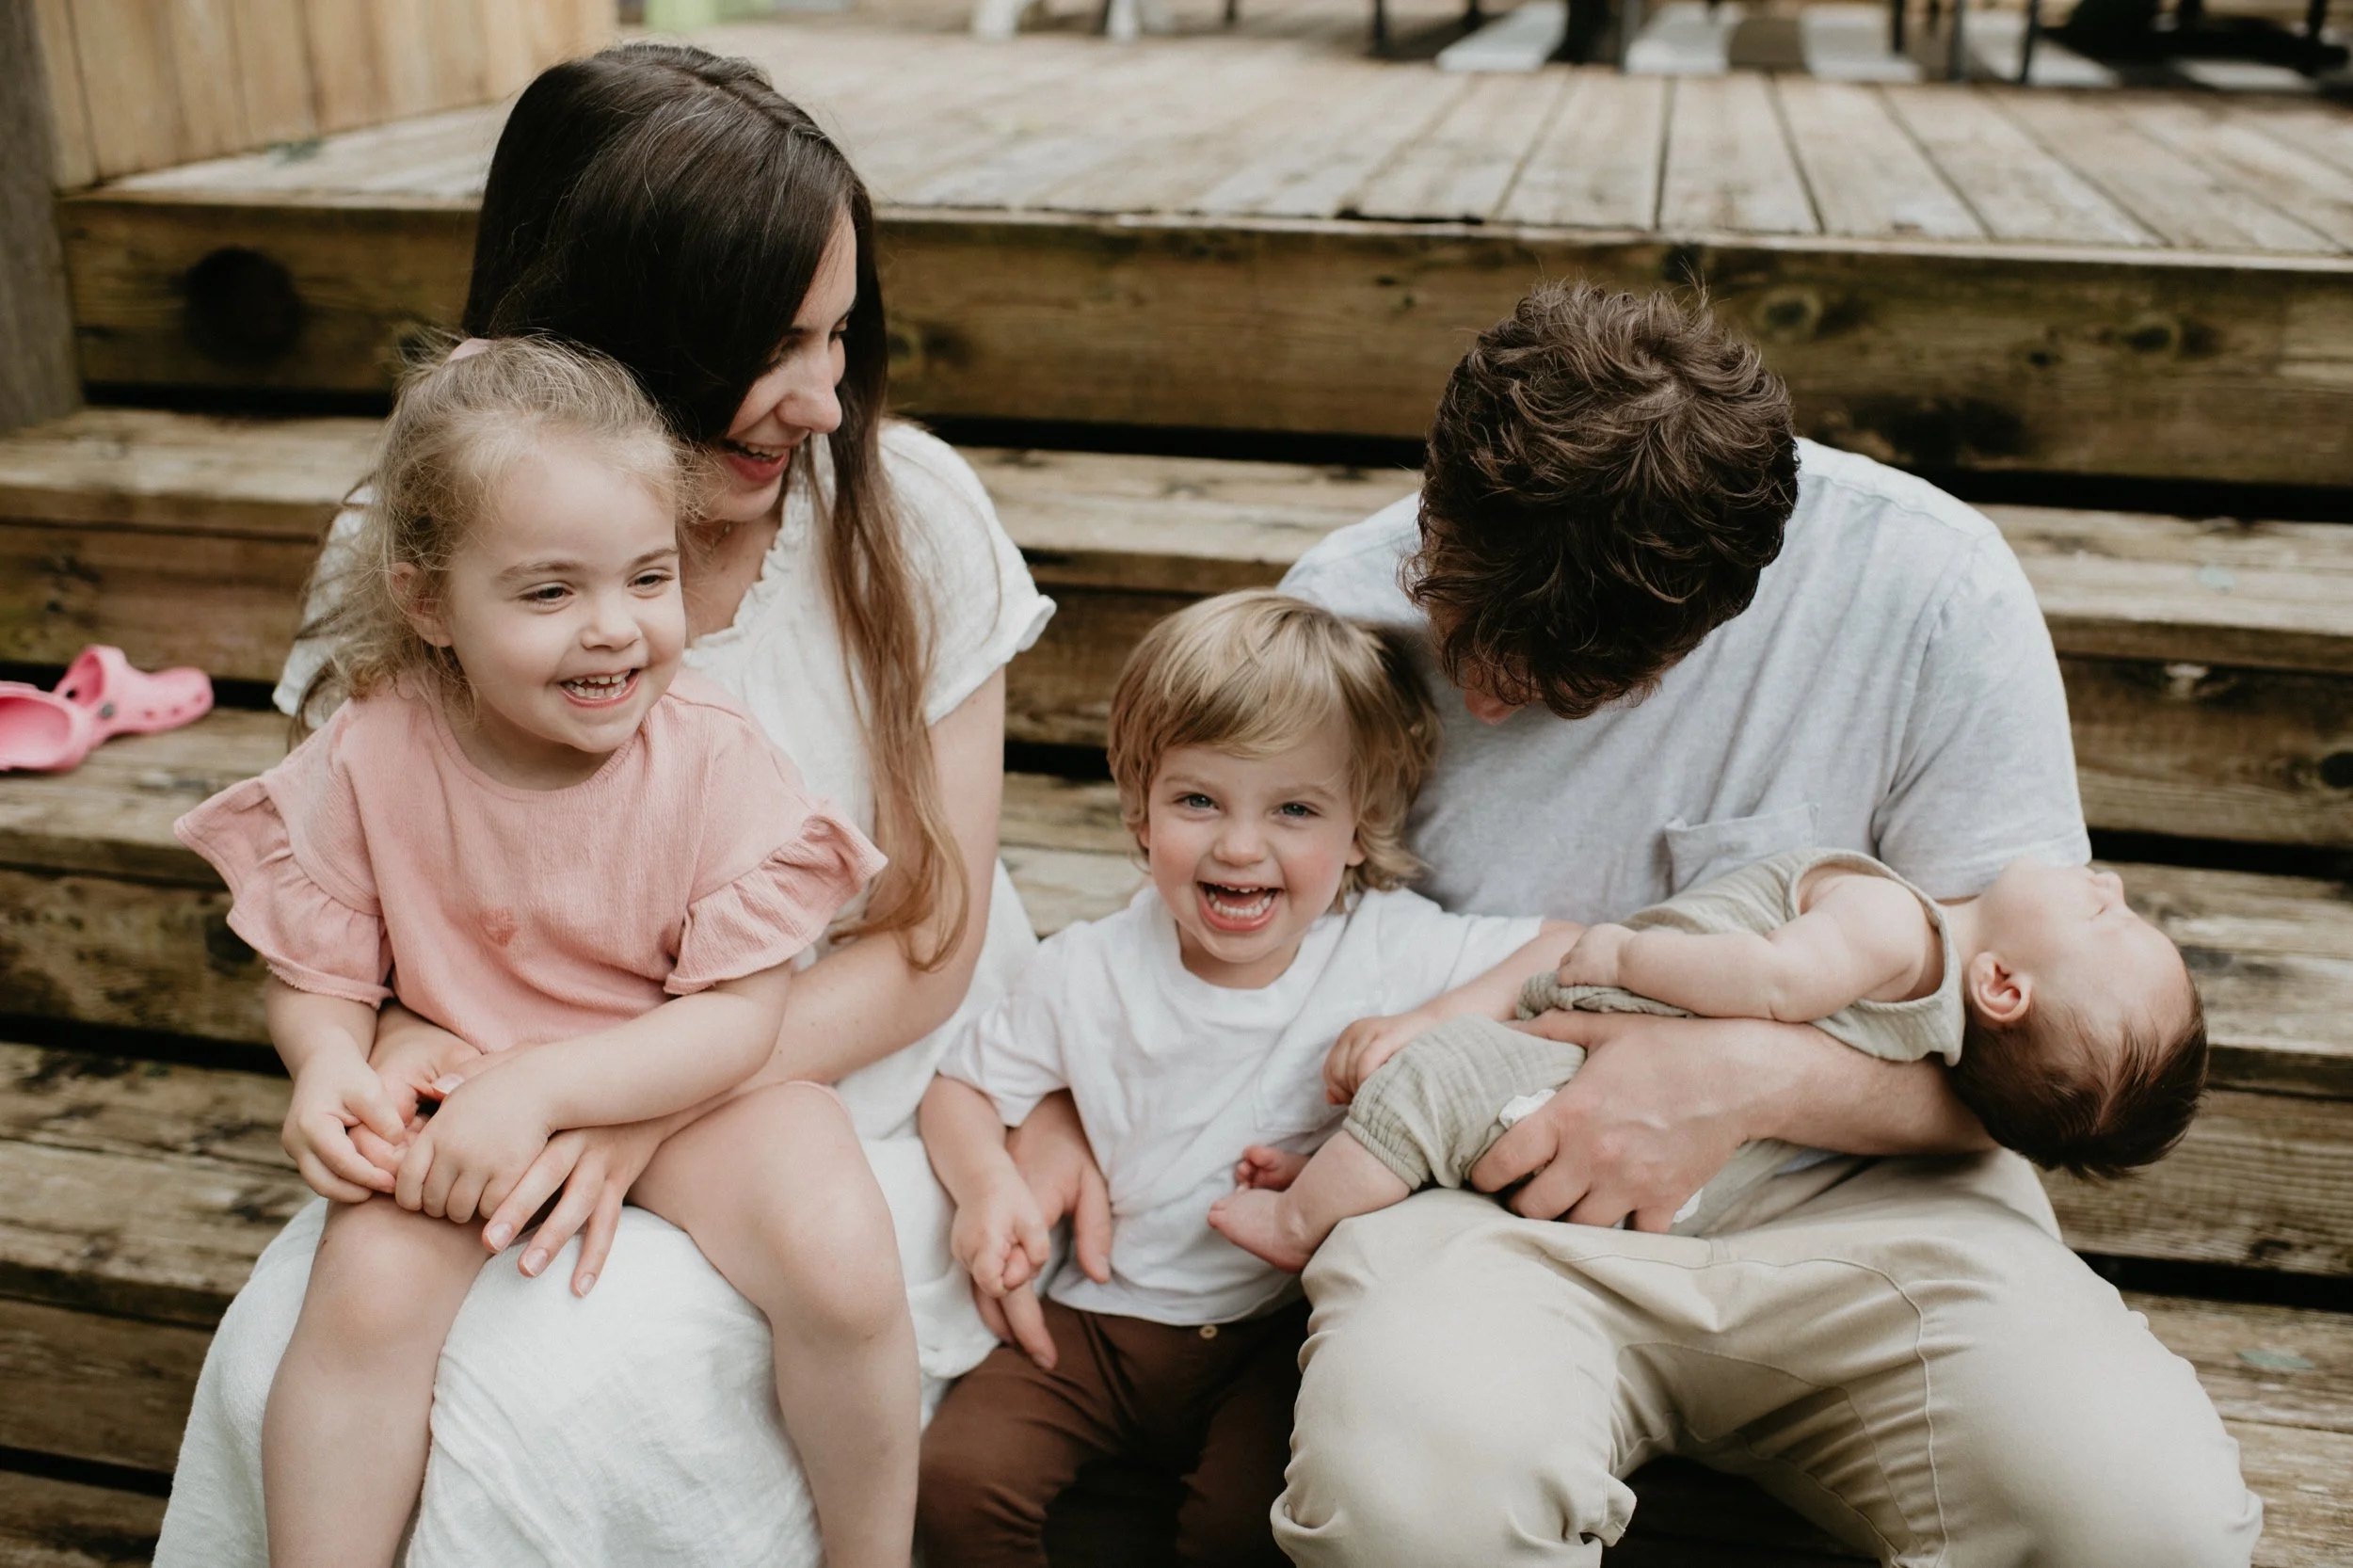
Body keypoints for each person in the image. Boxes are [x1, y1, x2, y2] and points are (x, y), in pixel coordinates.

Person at [1009, 282, 2258, 1565]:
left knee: (2144, 1522)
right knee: (1406, 1504)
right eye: (1456, 622)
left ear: (1717, 616)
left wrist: (1748, 1080)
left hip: (1874, 1209)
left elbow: (2040, 1071)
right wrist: (1063, 1104)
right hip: (1481, 1208)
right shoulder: (1338, 611)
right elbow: (1222, 934)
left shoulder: (1932, 592)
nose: (1486, 705)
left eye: (1562, 684)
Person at [154, 42, 1051, 1568]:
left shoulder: (905, 520)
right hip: (491, 1066)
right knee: (273, 1372)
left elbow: (928, 942)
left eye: (842, 332)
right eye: (771, 345)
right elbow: (362, 914)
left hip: (826, 1082)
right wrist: (376, 1061)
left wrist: (621, 1100)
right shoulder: (419, 546)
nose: (825, 397)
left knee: (546, 1430)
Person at [175, 340, 910, 1568]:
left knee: (840, 1253)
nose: (614, 629)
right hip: (463, 1088)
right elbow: (322, 969)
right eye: (549, 592)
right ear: (428, 602)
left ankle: (871, 1552)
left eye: (648, 577)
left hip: (680, 1084)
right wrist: (327, 1064)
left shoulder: (712, 756)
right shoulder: (375, 747)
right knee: (360, 1305)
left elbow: (739, 1018)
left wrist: (549, 1087)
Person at [914, 592, 1575, 1567]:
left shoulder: (1384, 950)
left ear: (1359, 828)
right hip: (1096, 1323)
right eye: (1198, 801)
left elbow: (1565, 947)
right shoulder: (1087, 970)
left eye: (1294, 810)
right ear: (1140, 810)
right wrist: (986, 1185)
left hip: (1277, 1334)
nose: (1238, 844)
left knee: (1245, 1527)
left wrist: (1433, 1022)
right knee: (953, 1481)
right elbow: (960, 1089)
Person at [1209, 846, 2210, 1272]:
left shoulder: (1892, 923)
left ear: (2002, 989)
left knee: (1442, 1077)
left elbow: (1774, 979)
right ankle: (1331, 1173)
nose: (2110, 885)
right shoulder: (1936, 1026)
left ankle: (1300, 1220)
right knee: (1441, 1111)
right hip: (1674, 1171)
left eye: (2108, 920)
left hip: (1598, 1061)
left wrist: (1629, 957)